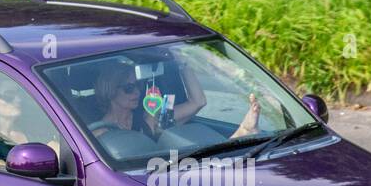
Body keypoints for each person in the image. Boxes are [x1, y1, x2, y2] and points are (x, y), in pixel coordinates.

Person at [90, 58, 259, 140]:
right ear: (110, 91)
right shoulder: (99, 133)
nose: (137, 92)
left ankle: (243, 132)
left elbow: (197, 102)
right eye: (128, 88)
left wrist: (183, 63)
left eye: (138, 86)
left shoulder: (149, 117)